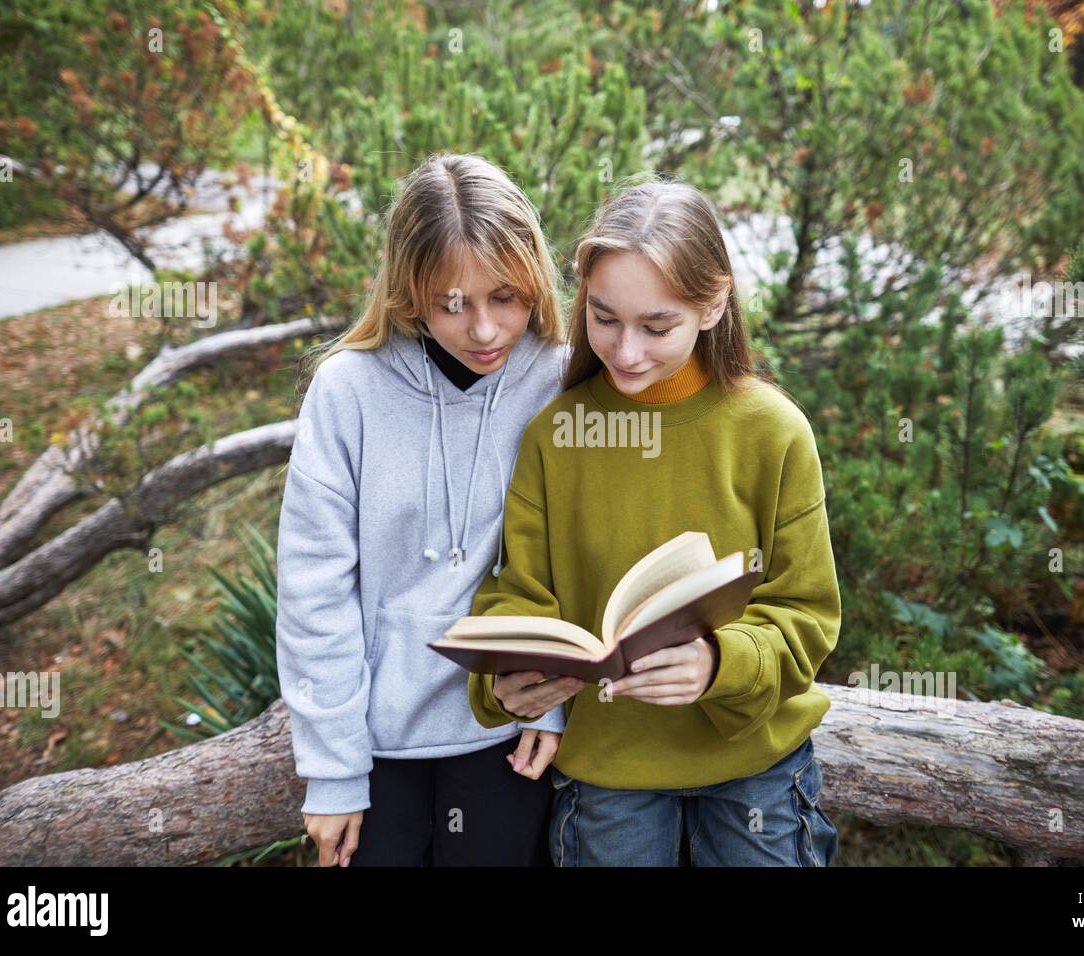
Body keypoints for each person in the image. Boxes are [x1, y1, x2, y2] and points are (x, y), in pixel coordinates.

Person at [467, 175, 842, 866]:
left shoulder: (773, 431)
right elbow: (523, 591)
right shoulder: (556, 434)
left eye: (657, 326)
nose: (627, 351)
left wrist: (719, 662)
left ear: (715, 303)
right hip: (610, 767)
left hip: (754, 762)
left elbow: (807, 613)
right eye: (603, 318)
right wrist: (506, 678)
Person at [275, 153, 578, 866]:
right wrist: (333, 769)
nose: (484, 330)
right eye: (453, 303)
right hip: (376, 742)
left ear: (535, 278)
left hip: (505, 726)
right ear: (410, 292)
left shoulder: (558, 379)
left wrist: (551, 697)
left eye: (507, 297)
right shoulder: (347, 390)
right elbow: (314, 588)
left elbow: (566, 564)